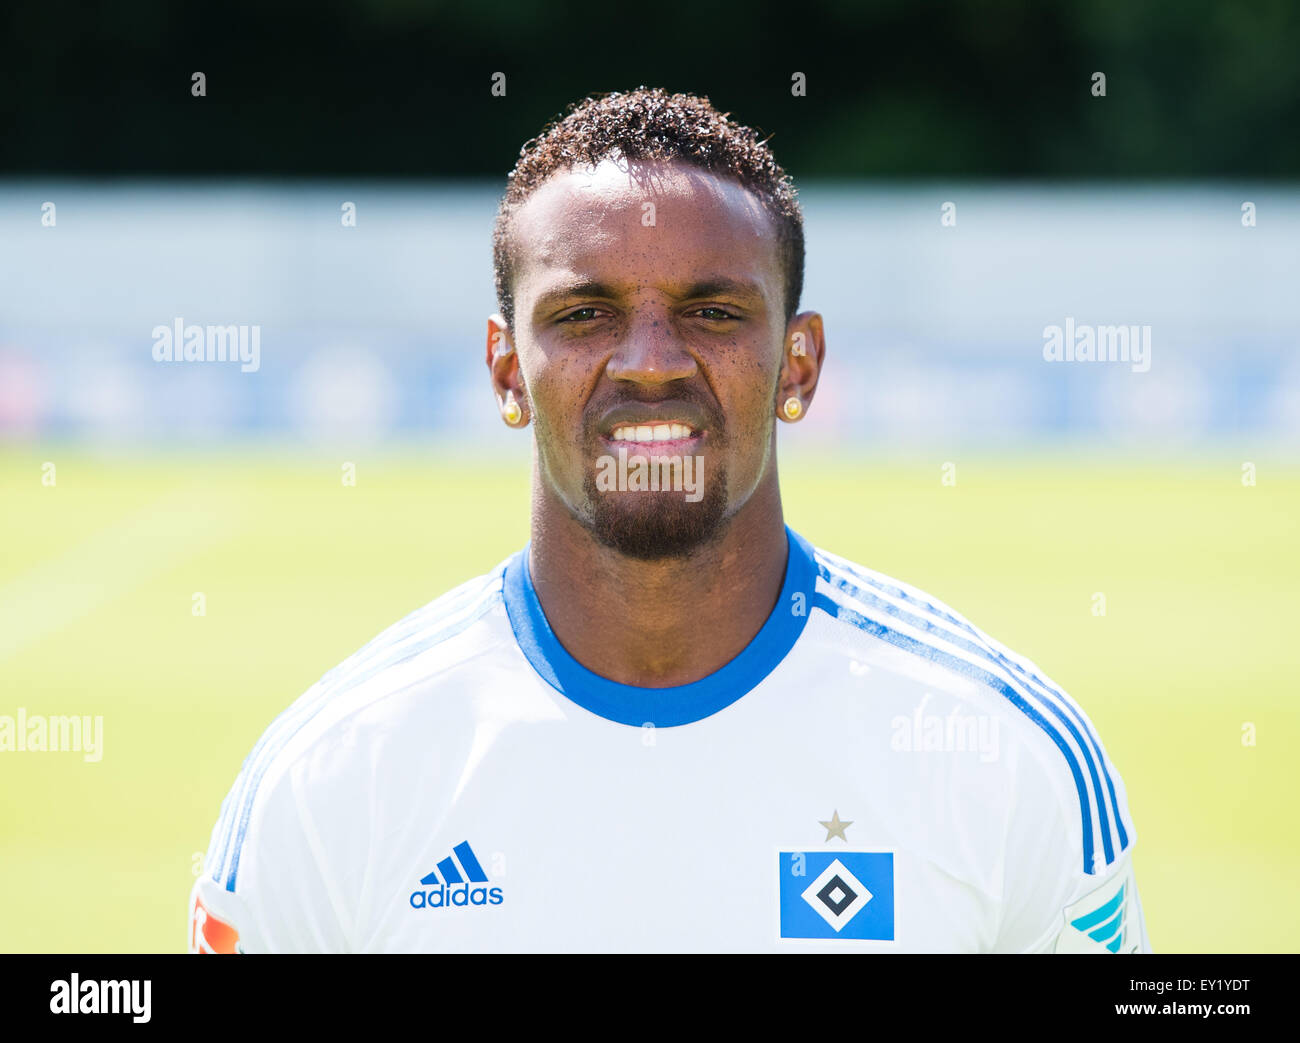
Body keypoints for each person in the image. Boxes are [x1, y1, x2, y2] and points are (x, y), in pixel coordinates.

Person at [189, 88, 1148, 953]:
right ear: (506, 369)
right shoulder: (327, 781)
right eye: (584, 315)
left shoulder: (1004, 753)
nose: (651, 361)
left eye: (714, 311)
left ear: (800, 364)